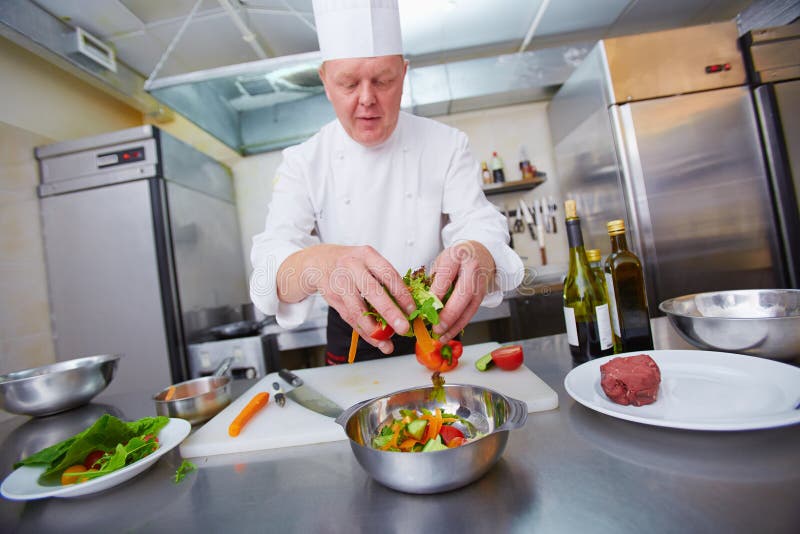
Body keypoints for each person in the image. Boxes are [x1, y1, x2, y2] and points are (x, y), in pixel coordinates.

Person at [250, 0, 523, 364]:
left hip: (437, 336)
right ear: (325, 82)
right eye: (348, 83)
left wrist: (480, 252)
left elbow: (479, 222)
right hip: (352, 343)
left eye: (383, 80)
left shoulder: (447, 144)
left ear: (404, 73)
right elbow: (269, 267)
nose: (367, 99)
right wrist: (319, 261)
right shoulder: (303, 162)